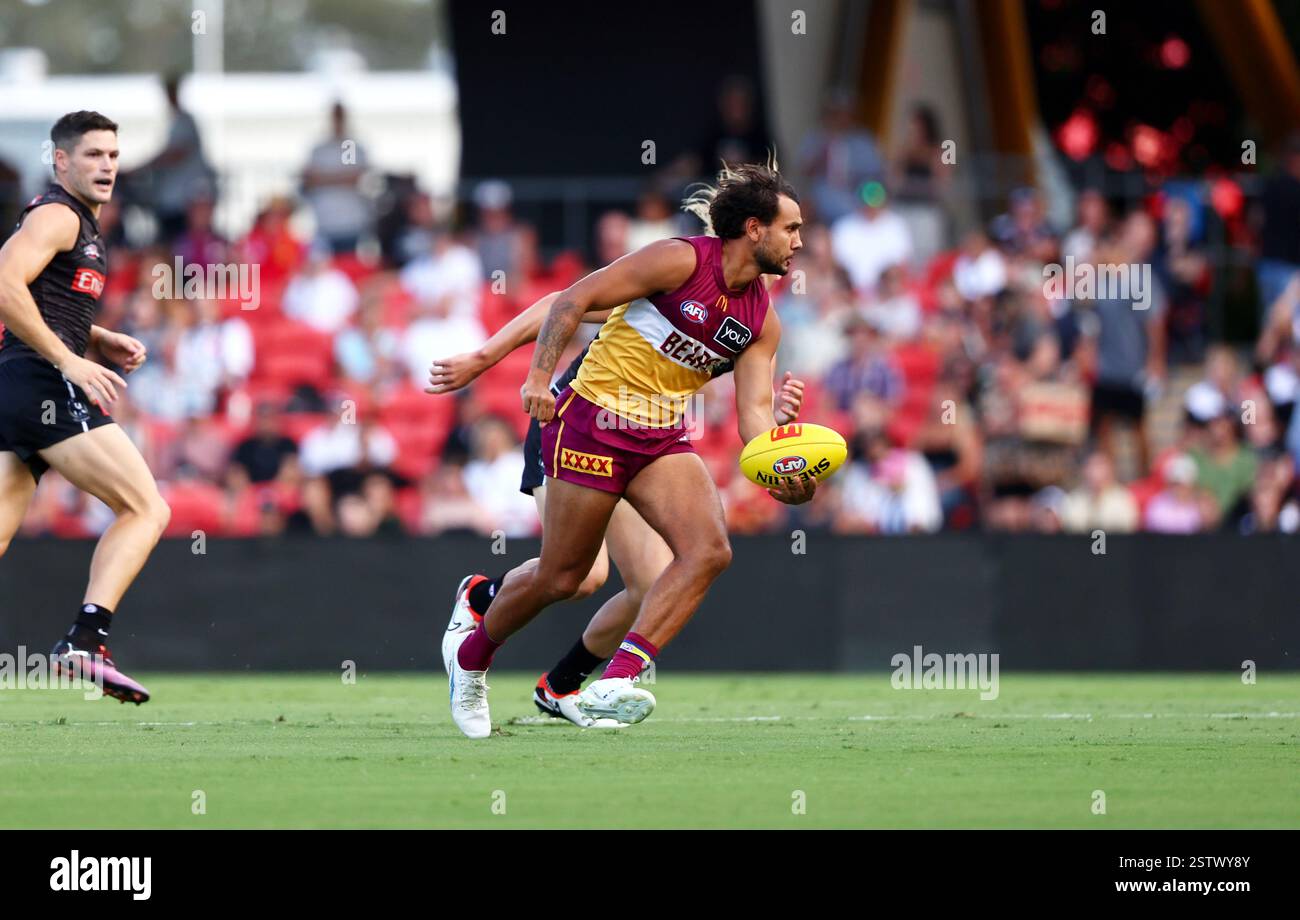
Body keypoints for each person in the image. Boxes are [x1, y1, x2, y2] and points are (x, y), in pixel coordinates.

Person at [438, 161, 813, 738]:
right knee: (567, 579)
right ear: (755, 229)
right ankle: (471, 656)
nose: (800, 242)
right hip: (589, 422)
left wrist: (785, 468)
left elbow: (754, 417)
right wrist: (529, 377)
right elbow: (567, 302)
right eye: (791, 228)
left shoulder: (763, 322)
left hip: (660, 438)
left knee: (708, 550)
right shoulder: (677, 260)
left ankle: (613, 678)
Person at [0, 111, 170, 704]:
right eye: (93, 154)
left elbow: (43, 300)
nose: (106, 166)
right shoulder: (57, 214)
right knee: (146, 509)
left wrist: (96, 339)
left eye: (113, 156)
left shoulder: (82, 226)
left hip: (14, 386)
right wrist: (70, 361)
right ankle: (85, 639)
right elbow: (4, 282)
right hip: (41, 385)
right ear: (61, 161)